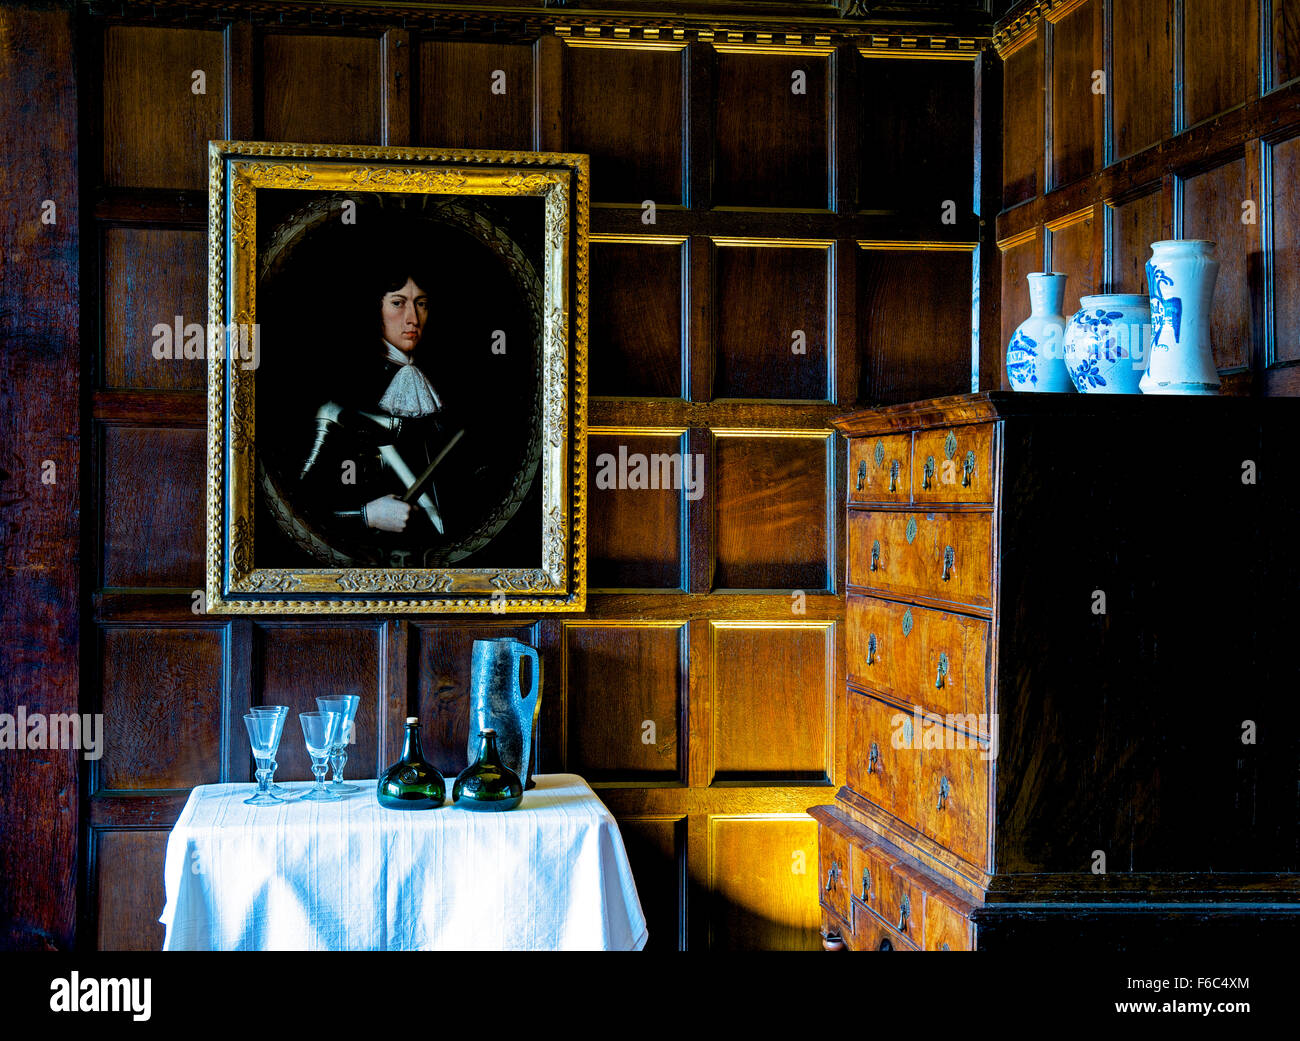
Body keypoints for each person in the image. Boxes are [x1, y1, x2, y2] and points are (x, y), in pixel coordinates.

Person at [297, 261, 462, 557]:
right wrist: (367, 515)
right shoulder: (345, 394)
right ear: (376, 309)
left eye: (421, 304)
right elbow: (302, 507)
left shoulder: (449, 390)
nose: (412, 318)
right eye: (398, 303)